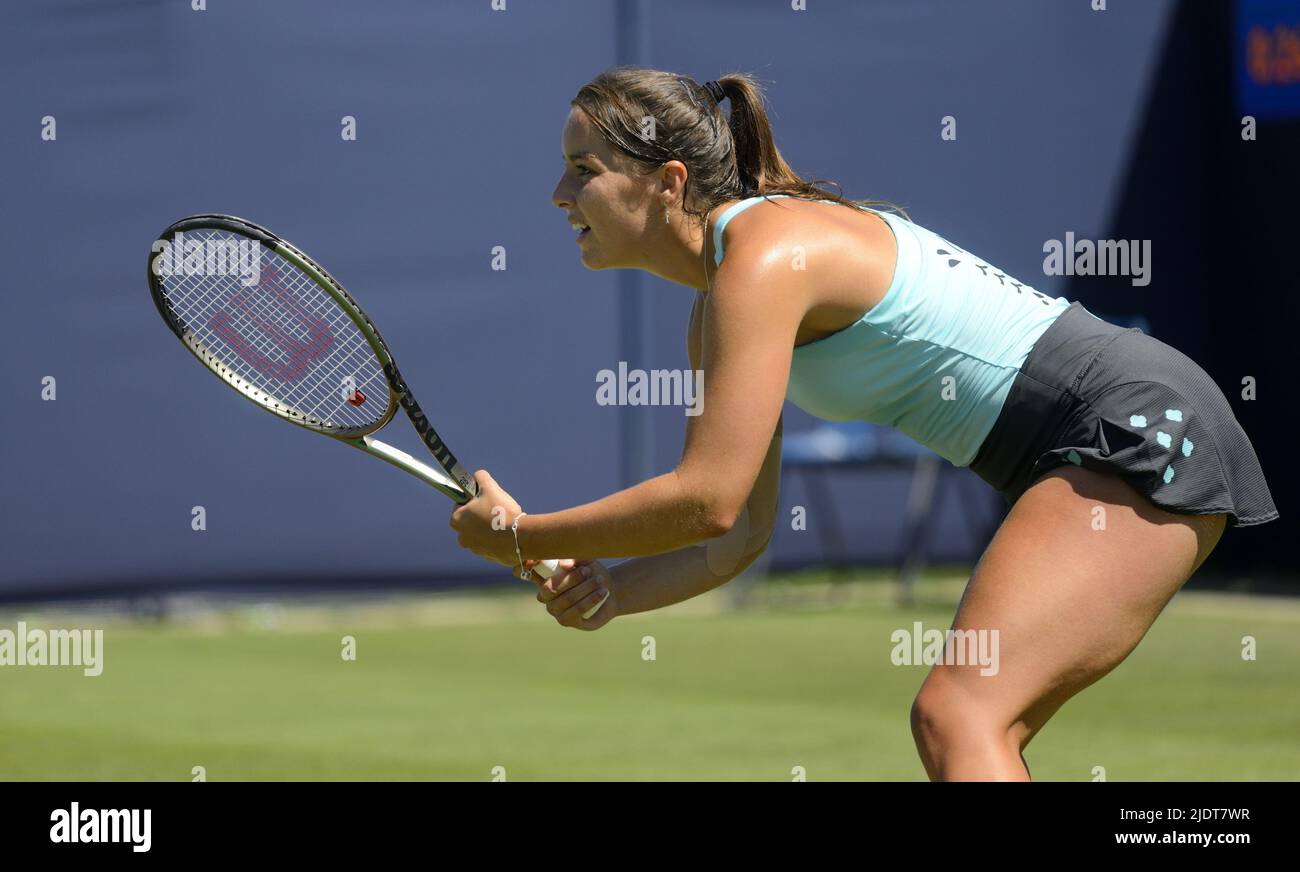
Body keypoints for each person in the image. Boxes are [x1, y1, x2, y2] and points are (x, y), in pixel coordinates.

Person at [449, 67, 1278, 780]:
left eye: (582, 170)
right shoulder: (719, 306)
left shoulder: (765, 256)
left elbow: (709, 500)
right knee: (985, 730)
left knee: (960, 717)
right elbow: (735, 540)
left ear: (667, 182)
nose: (559, 195)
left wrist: (522, 535)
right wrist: (611, 591)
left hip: (1134, 422)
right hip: (1098, 437)